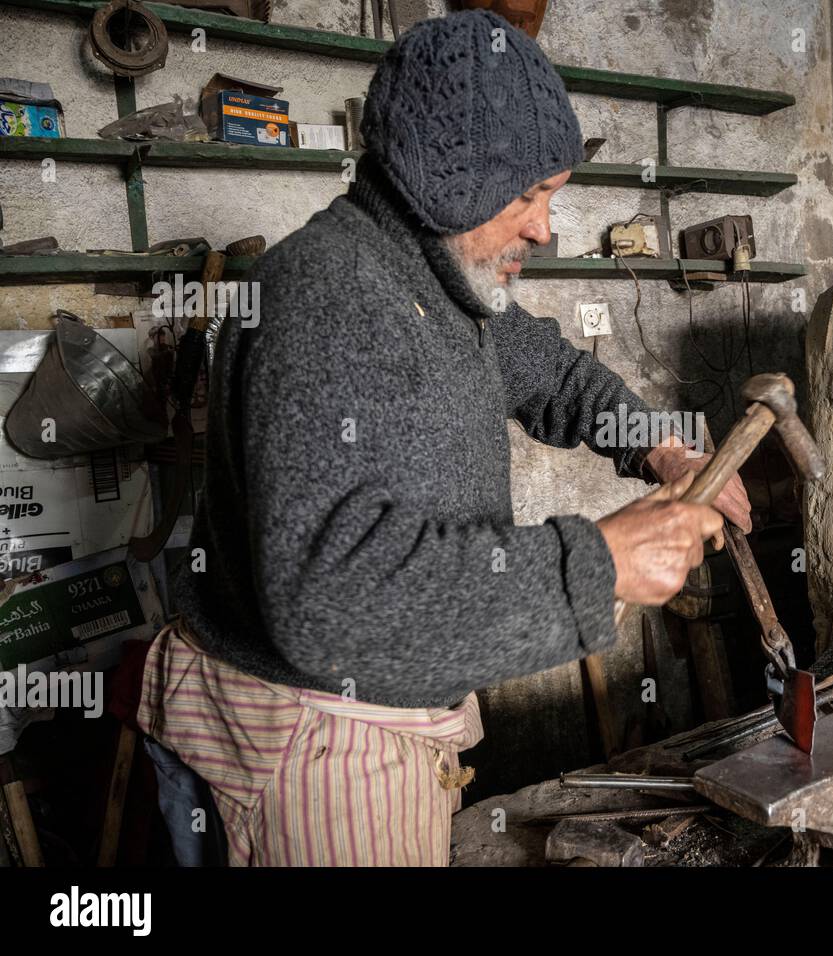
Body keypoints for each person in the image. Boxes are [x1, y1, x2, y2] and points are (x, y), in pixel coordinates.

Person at [137, 9, 751, 866]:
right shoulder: (326, 294)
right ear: (444, 183)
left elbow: (552, 372)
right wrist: (599, 563)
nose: (546, 227)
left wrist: (660, 443)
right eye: (529, 195)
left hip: (374, 717)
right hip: (309, 737)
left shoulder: (436, 274)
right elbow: (329, 595)